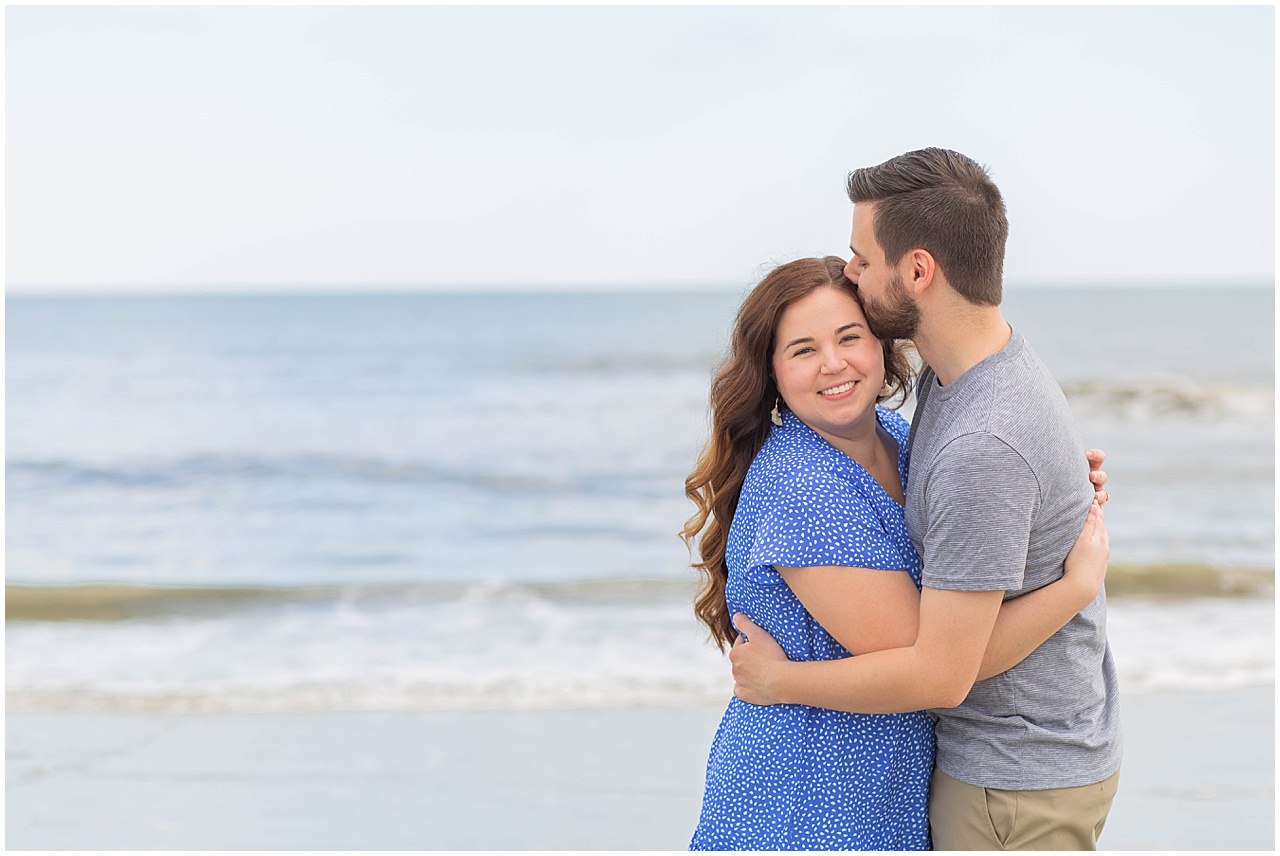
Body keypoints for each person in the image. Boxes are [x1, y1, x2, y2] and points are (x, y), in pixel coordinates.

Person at [730, 149, 1123, 851]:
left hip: (1009, 780)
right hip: (843, 794)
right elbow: (939, 654)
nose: (851, 272)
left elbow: (939, 665)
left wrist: (1061, 518)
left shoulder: (956, 423)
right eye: (801, 350)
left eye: (861, 259)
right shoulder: (953, 391)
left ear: (916, 271)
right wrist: (1071, 572)